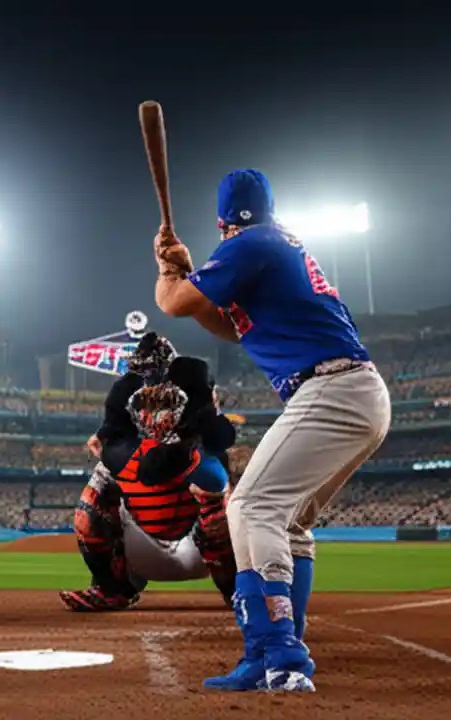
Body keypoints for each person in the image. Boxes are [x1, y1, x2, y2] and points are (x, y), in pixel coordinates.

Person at [152, 169, 391, 692]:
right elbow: (228, 325)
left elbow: (172, 304)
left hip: (333, 389)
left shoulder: (251, 242)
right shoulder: (272, 241)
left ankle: (280, 653)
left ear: (223, 224)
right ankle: (271, 654)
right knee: (288, 524)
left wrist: (168, 272)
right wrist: (188, 271)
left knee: (251, 507)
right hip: (356, 393)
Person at [60, 332, 237, 611]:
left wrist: (185, 446)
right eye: (147, 409)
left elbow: (217, 442)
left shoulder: (199, 436)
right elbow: (118, 444)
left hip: (195, 536)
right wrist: (110, 438)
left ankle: (237, 588)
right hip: (144, 532)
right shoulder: (122, 436)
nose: (156, 416)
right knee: (89, 509)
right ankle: (111, 587)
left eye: (166, 408)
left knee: (223, 505)